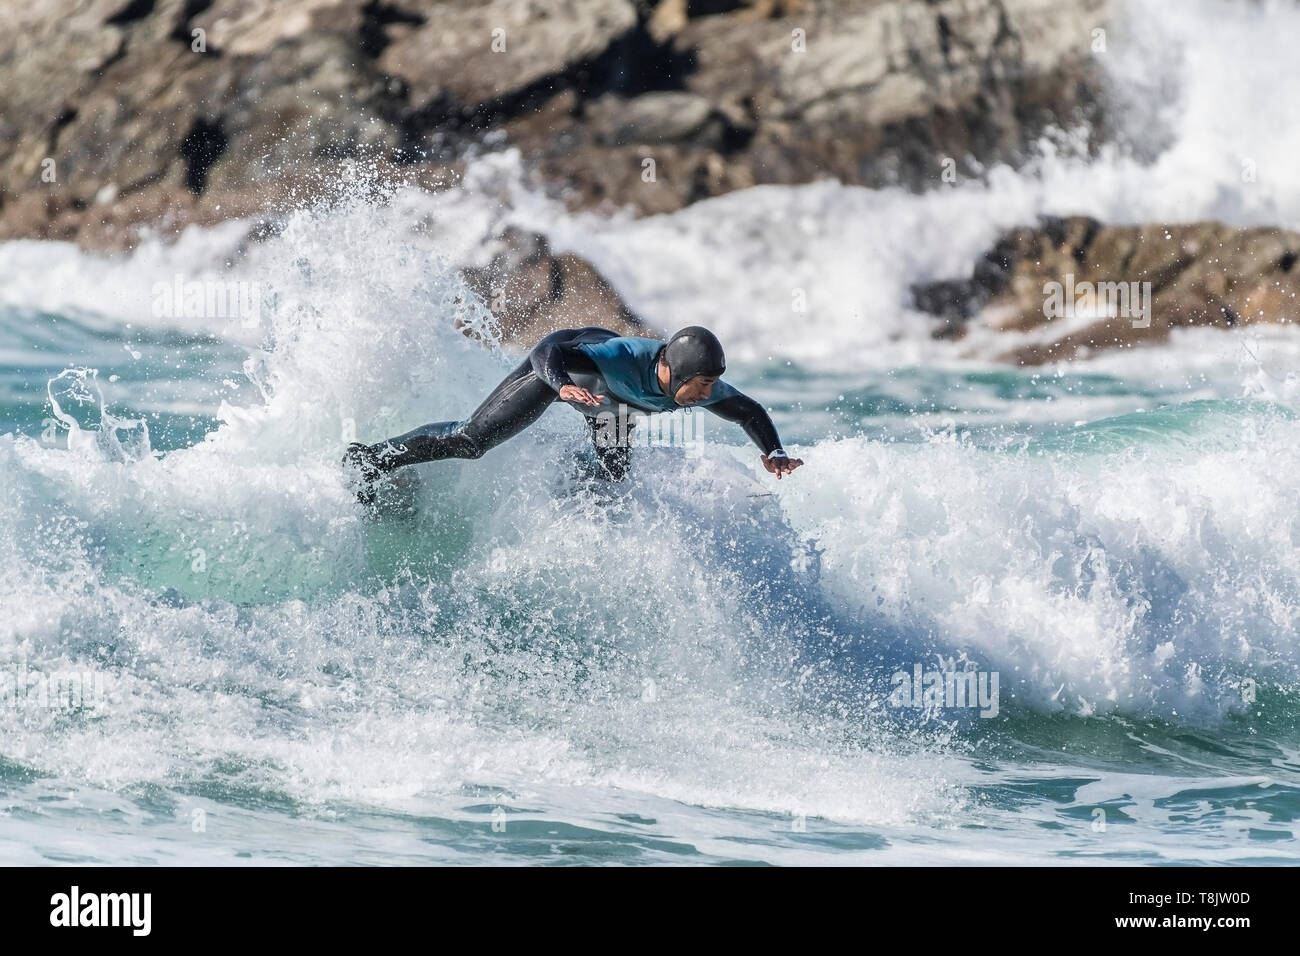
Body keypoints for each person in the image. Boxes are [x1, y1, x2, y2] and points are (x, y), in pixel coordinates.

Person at [342, 325, 804, 503]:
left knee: (613, 481)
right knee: (471, 441)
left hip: (611, 405)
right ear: (672, 370)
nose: (707, 395)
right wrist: (560, 384)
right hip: (559, 374)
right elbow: (549, 348)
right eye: (701, 385)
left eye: (710, 386)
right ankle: (373, 458)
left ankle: (558, 495)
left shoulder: (699, 387)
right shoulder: (623, 355)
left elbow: (748, 410)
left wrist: (774, 450)